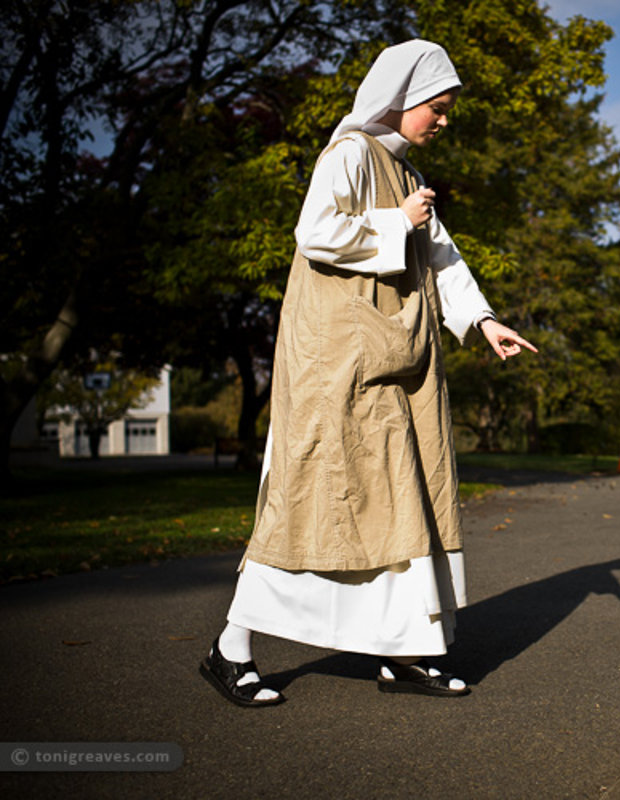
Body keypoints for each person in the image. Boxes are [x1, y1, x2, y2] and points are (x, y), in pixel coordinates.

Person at [199, 40, 536, 707]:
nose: (444, 120)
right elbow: (314, 231)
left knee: (403, 499)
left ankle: (405, 653)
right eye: (436, 108)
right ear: (400, 97)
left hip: (399, 362)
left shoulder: (408, 178)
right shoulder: (351, 154)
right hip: (341, 364)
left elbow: (442, 260)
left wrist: (482, 320)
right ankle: (230, 649)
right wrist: (393, 223)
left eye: (447, 110)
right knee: (317, 496)